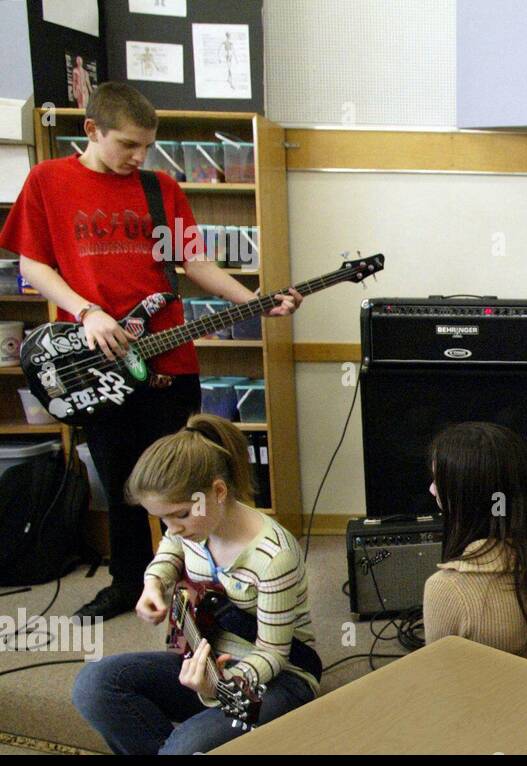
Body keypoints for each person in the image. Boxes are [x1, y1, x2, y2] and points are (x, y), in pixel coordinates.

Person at [0, 81, 302, 620]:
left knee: (185, 478)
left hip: (168, 359)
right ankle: (127, 583)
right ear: (91, 130)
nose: (138, 157)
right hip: (96, 363)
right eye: (128, 145)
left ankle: (198, 579)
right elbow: (32, 265)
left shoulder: (161, 188)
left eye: (147, 147)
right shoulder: (48, 181)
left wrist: (254, 300)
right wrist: (85, 310)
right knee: (120, 482)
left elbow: (196, 265)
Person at [72, 414, 319, 754]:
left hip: (277, 678)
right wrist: (153, 582)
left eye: (180, 515)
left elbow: (273, 654)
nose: (172, 528)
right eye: (162, 518)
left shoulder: (274, 556)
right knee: (94, 685)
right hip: (206, 657)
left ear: (217, 491)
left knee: (183, 748)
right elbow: (173, 549)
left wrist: (218, 686)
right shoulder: (193, 527)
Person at [424, 422, 527, 675]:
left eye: (439, 482)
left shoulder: (446, 588)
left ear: (464, 495)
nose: (432, 489)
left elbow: (441, 682)